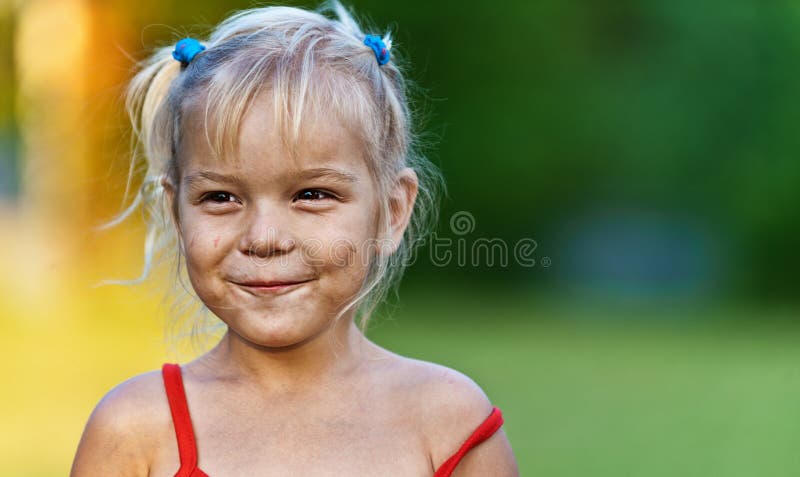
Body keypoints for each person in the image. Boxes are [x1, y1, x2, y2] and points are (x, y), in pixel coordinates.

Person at [70, 1, 519, 475]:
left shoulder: (449, 425)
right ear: (176, 213)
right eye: (221, 197)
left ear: (391, 211)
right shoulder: (135, 432)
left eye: (311, 194)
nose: (264, 238)